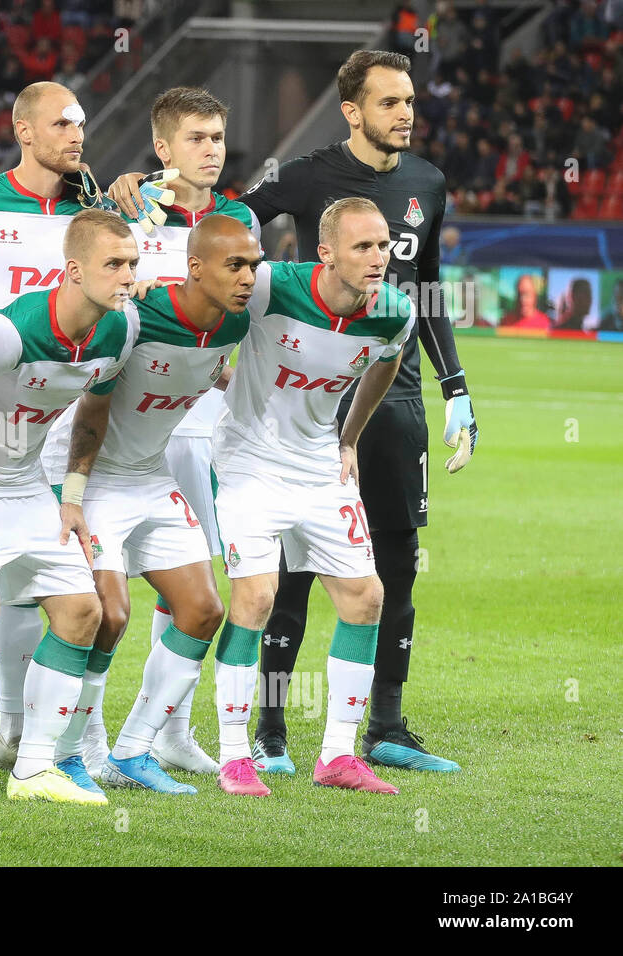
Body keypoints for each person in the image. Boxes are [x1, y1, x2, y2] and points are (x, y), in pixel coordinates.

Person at [234, 50, 473, 774]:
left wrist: (456, 386)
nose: (406, 112)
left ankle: (387, 727)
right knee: (295, 569)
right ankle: (271, 730)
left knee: (396, 563)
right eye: (391, 101)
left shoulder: (427, 182)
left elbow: (428, 288)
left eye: (409, 100)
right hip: (313, 399)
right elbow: (230, 224)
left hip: (394, 396)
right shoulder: (305, 175)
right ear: (352, 111)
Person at [0, 81, 113, 774]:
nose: (77, 134)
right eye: (63, 122)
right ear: (25, 131)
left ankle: (29, 743)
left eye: (83, 124)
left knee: (54, 593)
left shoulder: (89, 211)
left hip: (54, 423)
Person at [48, 214, 260, 794]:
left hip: (149, 473)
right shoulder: (134, 316)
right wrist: (73, 494)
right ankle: (70, 755)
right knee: (108, 616)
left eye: (252, 267)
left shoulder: (234, 322)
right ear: (194, 268)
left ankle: (134, 749)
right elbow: (91, 410)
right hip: (88, 476)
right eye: (234, 266)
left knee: (202, 610)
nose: (247, 278)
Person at [0, 209, 140, 807]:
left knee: (84, 612)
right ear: (73, 271)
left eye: (132, 263)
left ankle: (32, 768)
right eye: (114, 264)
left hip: (28, 486)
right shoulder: (5, 333)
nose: (128, 277)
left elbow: (93, 413)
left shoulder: (119, 330)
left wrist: (71, 497)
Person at [211, 198, 414, 796]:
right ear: (325, 252)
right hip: (248, 461)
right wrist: (219, 373)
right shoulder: (273, 286)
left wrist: (347, 438)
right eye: (363, 247)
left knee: (365, 595)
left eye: (383, 246)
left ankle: (337, 757)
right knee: (256, 597)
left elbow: (388, 361)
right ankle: (232, 757)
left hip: (319, 464)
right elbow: (211, 301)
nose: (379, 258)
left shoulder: (394, 312)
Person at [100, 85, 262, 777]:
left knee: (190, 581)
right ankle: (54, 738)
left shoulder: (239, 216)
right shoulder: (132, 210)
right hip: (121, 419)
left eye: (218, 138)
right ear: (163, 148)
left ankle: (167, 729)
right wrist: (113, 200)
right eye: (196, 138)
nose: (210, 151)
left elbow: (244, 307)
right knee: (96, 596)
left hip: (200, 422)